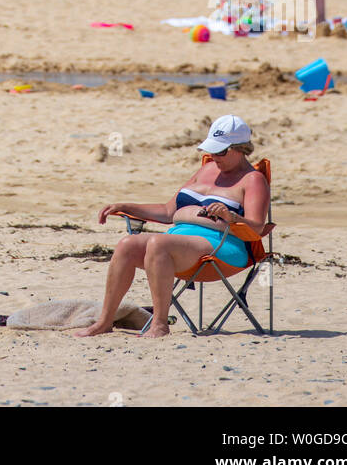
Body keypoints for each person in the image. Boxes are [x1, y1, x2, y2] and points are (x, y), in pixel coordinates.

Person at [76, 116, 269, 339]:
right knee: (128, 244)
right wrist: (125, 206)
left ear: (241, 149)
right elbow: (168, 211)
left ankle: (159, 324)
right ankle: (104, 321)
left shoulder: (253, 180)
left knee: (159, 243)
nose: (215, 157)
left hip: (222, 247)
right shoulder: (207, 169)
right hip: (179, 242)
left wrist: (230, 216)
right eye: (212, 151)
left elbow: (256, 229)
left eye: (221, 152)